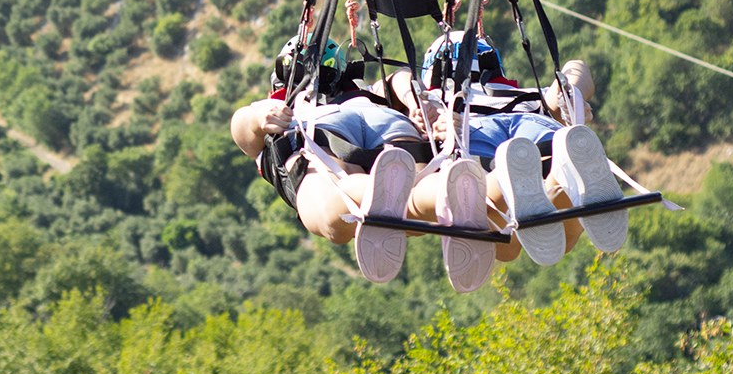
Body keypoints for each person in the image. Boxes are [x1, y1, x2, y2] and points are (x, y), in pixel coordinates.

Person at [231, 34, 566, 292]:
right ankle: (481, 188)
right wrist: (413, 99)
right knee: (419, 189)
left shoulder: (281, 107)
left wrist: (261, 116)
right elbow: (399, 78)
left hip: (320, 129)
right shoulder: (370, 91)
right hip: (388, 121)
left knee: (331, 206)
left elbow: (242, 126)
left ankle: (373, 193)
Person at [390, 32, 627, 266]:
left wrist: (415, 101)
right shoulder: (526, 94)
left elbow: (398, 77)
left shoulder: (434, 100)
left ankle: (508, 179)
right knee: (560, 230)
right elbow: (577, 67)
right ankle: (562, 174)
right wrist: (572, 92)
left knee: (494, 221)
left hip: (470, 129)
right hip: (534, 124)